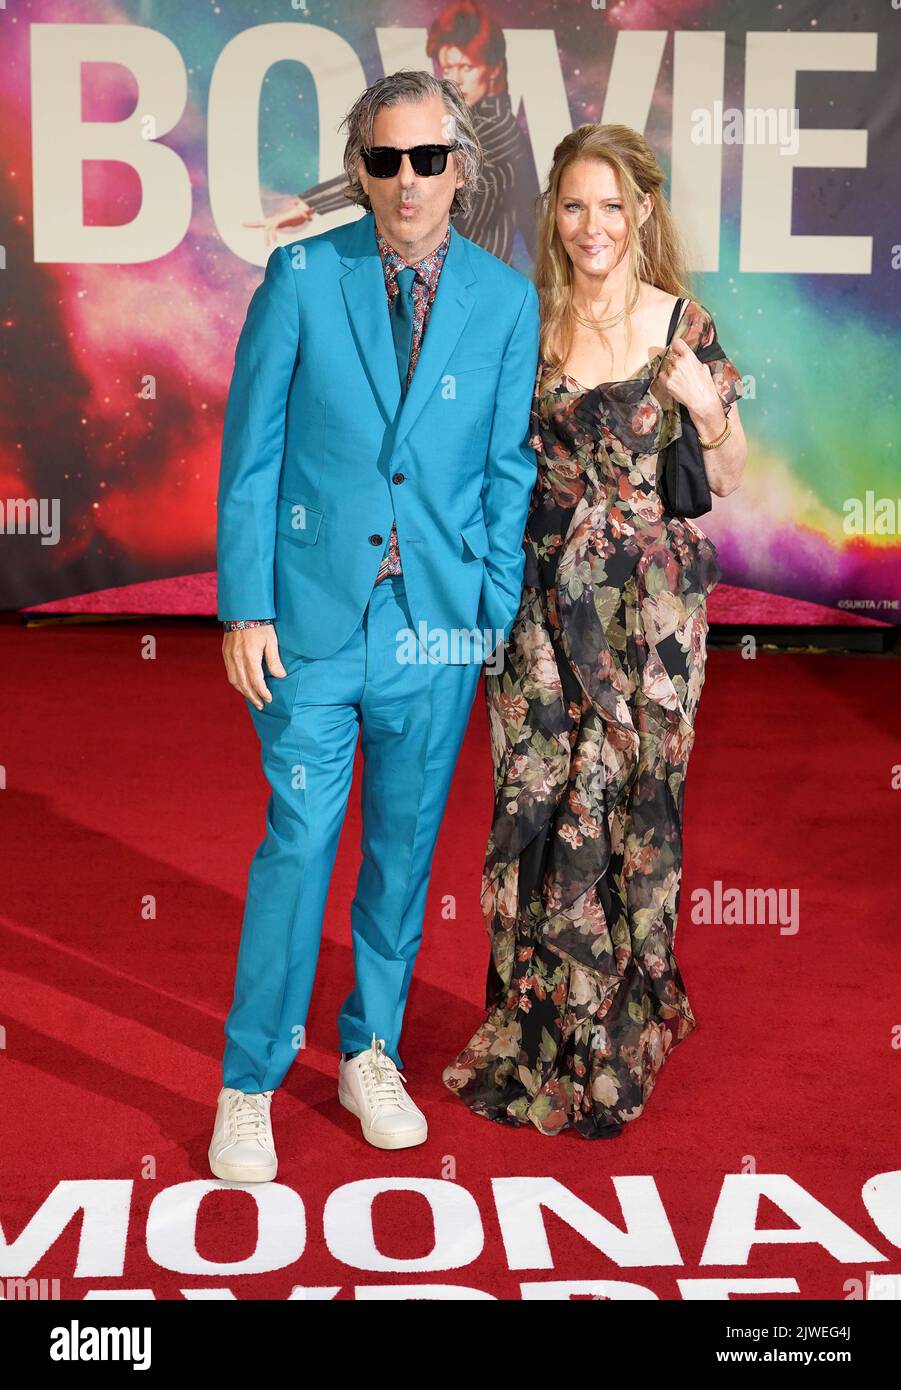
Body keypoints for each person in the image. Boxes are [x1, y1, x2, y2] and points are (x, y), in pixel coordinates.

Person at [210, 69, 539, 1179]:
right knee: (298, 841)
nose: (408, 183)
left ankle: (371, 1048)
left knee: (402, 855)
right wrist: (245, 603)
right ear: (360, 168)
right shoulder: (303, 275)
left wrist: (486, 612)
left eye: (428, 160)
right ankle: (250, 1076)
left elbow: (505, 470)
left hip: (436, 627)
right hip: (312, 620)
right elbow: (253, 450)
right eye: (387, 161)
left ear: (461, 169)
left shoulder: (502, 300)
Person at [442, 123, 747, 1139]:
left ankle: (617, 1026)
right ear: (555, 217)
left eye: (611, 205)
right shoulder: (525, 321)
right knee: (537, 806)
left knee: (624, 809)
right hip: (537, 610)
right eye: (574, 206)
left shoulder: (681, 323)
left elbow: (730, 473)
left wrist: (703, 407)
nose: (592, 226)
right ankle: (538, 1029)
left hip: (647, 624)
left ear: (643, 213)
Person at [246, 2, 539, 267]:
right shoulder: (479, 123)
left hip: (475, 292)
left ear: (493, 70)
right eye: (448, 67)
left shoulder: (495, 130)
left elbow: (533, 227)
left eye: (467, 67)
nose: (457, 78)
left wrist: (311, 203)